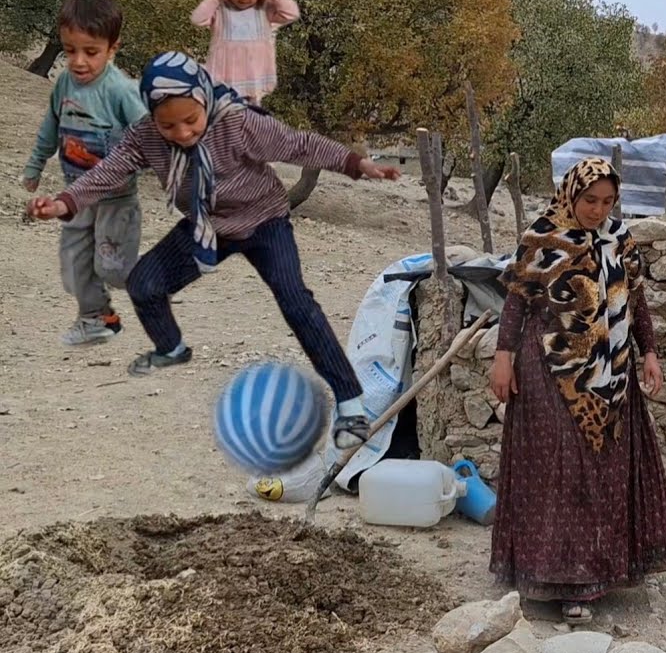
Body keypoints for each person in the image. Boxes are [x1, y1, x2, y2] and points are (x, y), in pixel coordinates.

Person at [26, 51, 399, 449]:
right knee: (144, 284)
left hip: (265, 221)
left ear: (204, 100)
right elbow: (108, 173)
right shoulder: (146, 136)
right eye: (168, 125)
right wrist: (63, 203)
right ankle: (171, 347)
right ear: (152, 116)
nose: (183, 133)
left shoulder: (237, 123)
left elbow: (299, 146)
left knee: (296, 302)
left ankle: (350, 405)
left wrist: (357, 164)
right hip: (208, 227)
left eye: (191, 120)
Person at [488, 157, 666, 624]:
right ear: (571, 194)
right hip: (548, 369)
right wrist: (503, 356)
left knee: (603, 471)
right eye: (590, 200)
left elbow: (635, 299)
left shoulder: (620, 239)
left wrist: (649, 352)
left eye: (607, 201)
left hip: (611, 375)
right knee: (559, 470)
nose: (598, 210)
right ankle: (555, 579)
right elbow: (517, 302)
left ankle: (597, 575)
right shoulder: (542, 237)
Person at [22, 0, 149, 346]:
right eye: (69, 50)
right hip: (76, 196)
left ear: (112, 48)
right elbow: (51, 125)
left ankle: (155, 274)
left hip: (116, 200)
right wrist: (35, 165)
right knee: (74, 265)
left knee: (112, 269)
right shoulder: (64, 83)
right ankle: (98, 318)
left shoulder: (121, 91)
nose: (78, 62)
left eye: (90, 52)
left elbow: (149, 136)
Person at [191, 0, 299, 105]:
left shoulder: (264, 12)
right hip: (223, 83)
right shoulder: (220, 12)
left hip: (253, 83)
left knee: (251, 116)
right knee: (224, 115)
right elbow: (198, 19)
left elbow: (291, 14)